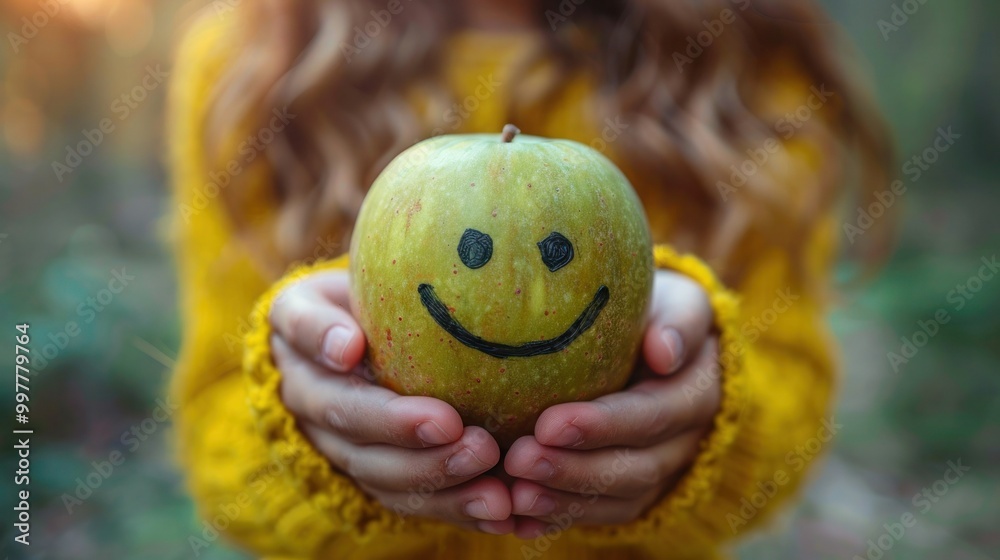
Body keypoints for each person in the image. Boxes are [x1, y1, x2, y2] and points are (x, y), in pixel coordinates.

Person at [168, 0, 892, 558]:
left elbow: (792, 405)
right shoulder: (255, 61)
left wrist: (707, 425)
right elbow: (215, 432)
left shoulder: (748, 60)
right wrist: (303, 435)